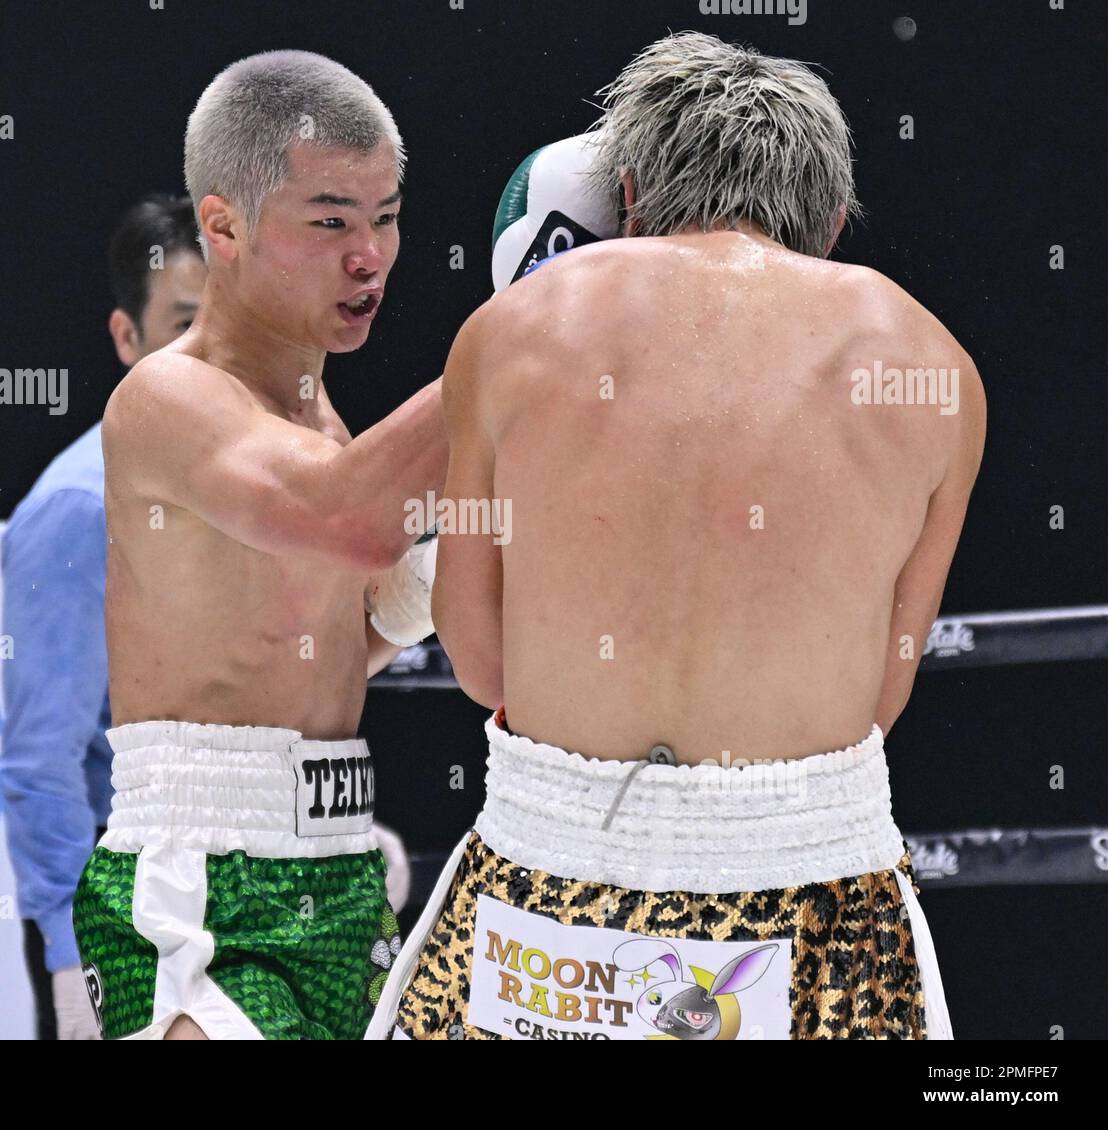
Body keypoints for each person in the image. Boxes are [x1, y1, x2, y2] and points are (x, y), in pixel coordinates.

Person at [369, 31, 984, 1041]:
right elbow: (878, 692)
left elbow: (476, 656)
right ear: (831, 220)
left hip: (546, 893)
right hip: (815, 908)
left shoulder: (515, 330)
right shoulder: (931, 364)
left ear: (635, 202)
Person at [72, 51, 445, 1041]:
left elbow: (310, 642)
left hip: (337, 859)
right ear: (224, 225)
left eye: (386, 216)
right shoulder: (168, 397)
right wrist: (527, 341)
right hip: (206, 874)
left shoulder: (319, 414)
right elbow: (348, 518)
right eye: (330, 221)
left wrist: (412, 601)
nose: (368, 254)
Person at [0, 195, 206, 1040]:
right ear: (128, 339)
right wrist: (69, 952)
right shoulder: (79, 510)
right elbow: (40, 760)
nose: (211, 352)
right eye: (185, 323)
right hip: (117, 928)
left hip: (235, 893)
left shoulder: (262, 476)